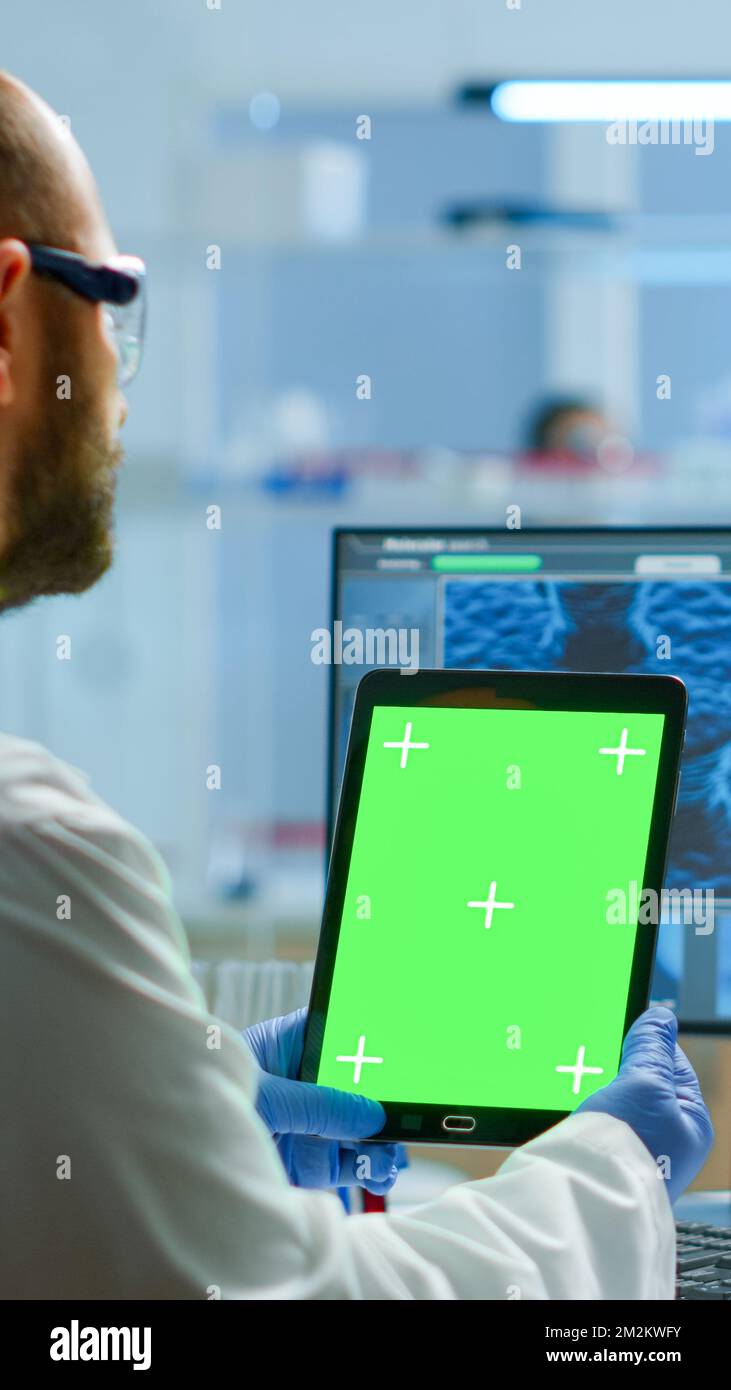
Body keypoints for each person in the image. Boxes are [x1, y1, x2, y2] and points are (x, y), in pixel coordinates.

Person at [0, 71, 713, 1300]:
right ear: (10, 327)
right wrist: (617, 1164)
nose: (120, 375)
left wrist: (199, 1097)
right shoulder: (33, 851)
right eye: (115, 301)